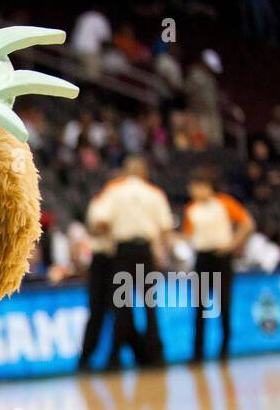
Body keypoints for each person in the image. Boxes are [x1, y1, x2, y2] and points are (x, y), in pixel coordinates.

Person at [86, 155, 173, 367]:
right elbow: (165, 228)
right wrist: (162, 254)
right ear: (144, 172)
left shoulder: (114, 192)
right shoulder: (154, 193)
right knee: (150, 306)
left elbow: (101, 222)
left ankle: (115, 358)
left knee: (122, 305)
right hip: (145, 251)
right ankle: (156, 357)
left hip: (123, 252)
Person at [183, 173, 254, 361]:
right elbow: (187, 235)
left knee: (224, 304)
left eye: (198, 186)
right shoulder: (191, 209)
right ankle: (197, 352)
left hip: (221, 258)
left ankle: (224, 349)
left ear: (208, 186)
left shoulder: (224, 203)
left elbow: (247, 223)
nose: (194, 191)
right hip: (202, 258)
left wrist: (232, 244)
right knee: (200, 307)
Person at [79, 192, 115, 370]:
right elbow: (93, 228)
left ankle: (116, 357)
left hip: (118, 260)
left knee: (122, 313)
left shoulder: (122, 202)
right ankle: (85, 359)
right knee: (96, 312)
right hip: (100, 261)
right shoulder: (99, 201)